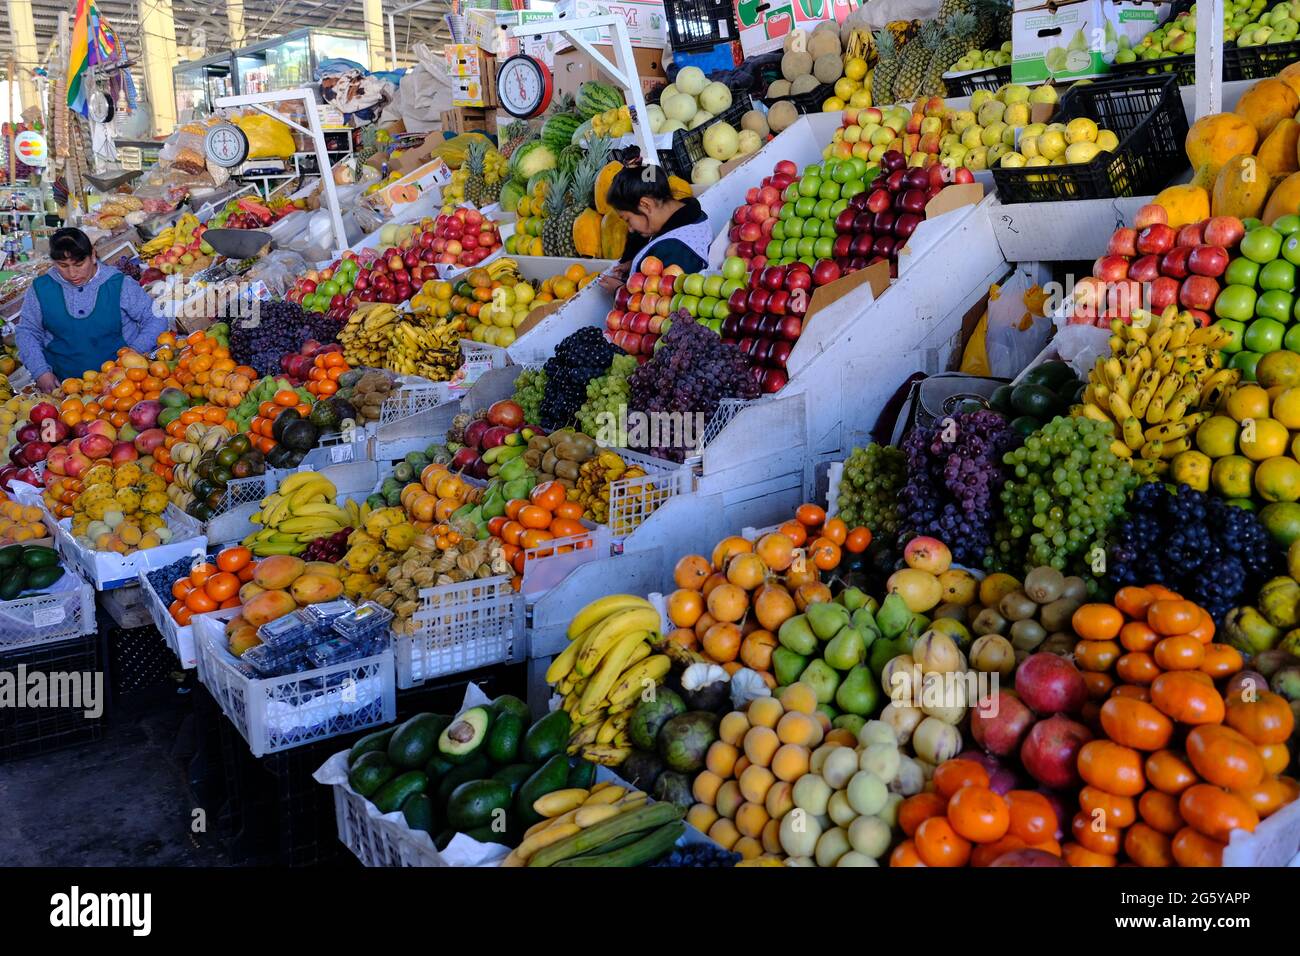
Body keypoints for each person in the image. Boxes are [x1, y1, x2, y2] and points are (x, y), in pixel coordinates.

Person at [17, 227, 167, 393]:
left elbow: (155, 318)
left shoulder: (119, 284)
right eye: (63, 266)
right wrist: (40, 372)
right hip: (64, 389)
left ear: (93, 256)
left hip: (122, 386)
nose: (72, 273)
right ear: (53, 262)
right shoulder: (41, 289)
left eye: (79, 264)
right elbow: (27, 332)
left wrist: (135, 351)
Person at [599, 161, 712, 292]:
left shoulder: (673, 249)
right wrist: (638, 264)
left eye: (628, 219)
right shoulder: (691, 213)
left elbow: (661, 300)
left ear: (646, 205)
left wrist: (619, 291)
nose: (630, 229)